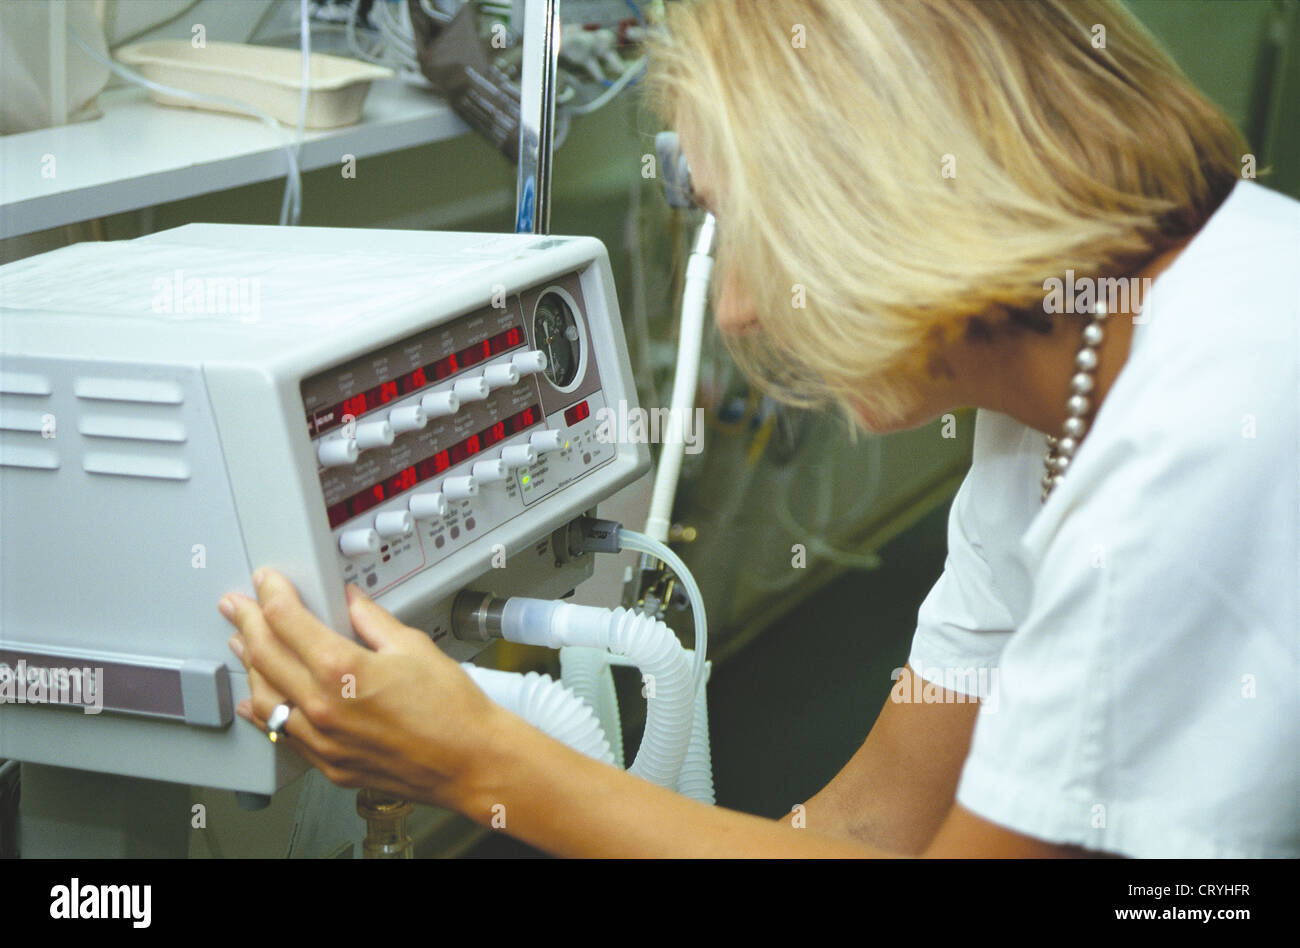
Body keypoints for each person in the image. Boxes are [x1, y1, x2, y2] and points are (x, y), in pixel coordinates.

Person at [219, 0, 1298, 857]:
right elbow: (873, 826)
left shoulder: (1199, 433)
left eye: (747, 226)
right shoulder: (1062, 398)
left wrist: (475, 766)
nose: (734, 309)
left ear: (881, 193)